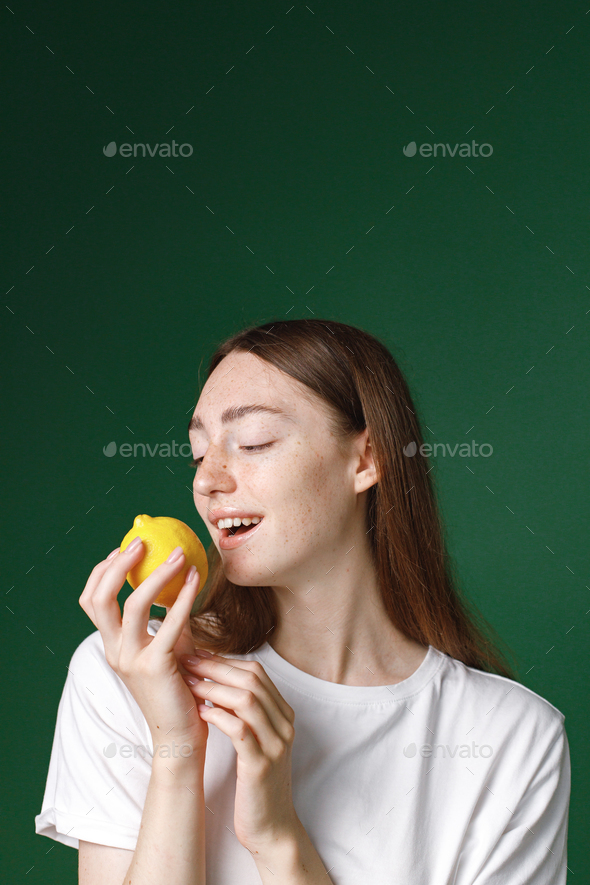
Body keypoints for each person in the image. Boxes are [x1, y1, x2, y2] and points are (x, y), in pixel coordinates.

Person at [35, 318, 571, 885]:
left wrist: (277, 838)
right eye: (197, 454)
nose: (208, 480)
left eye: (254, 443)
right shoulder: (125, 673)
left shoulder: (511, 738)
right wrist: (175, 753)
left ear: (366, 460)